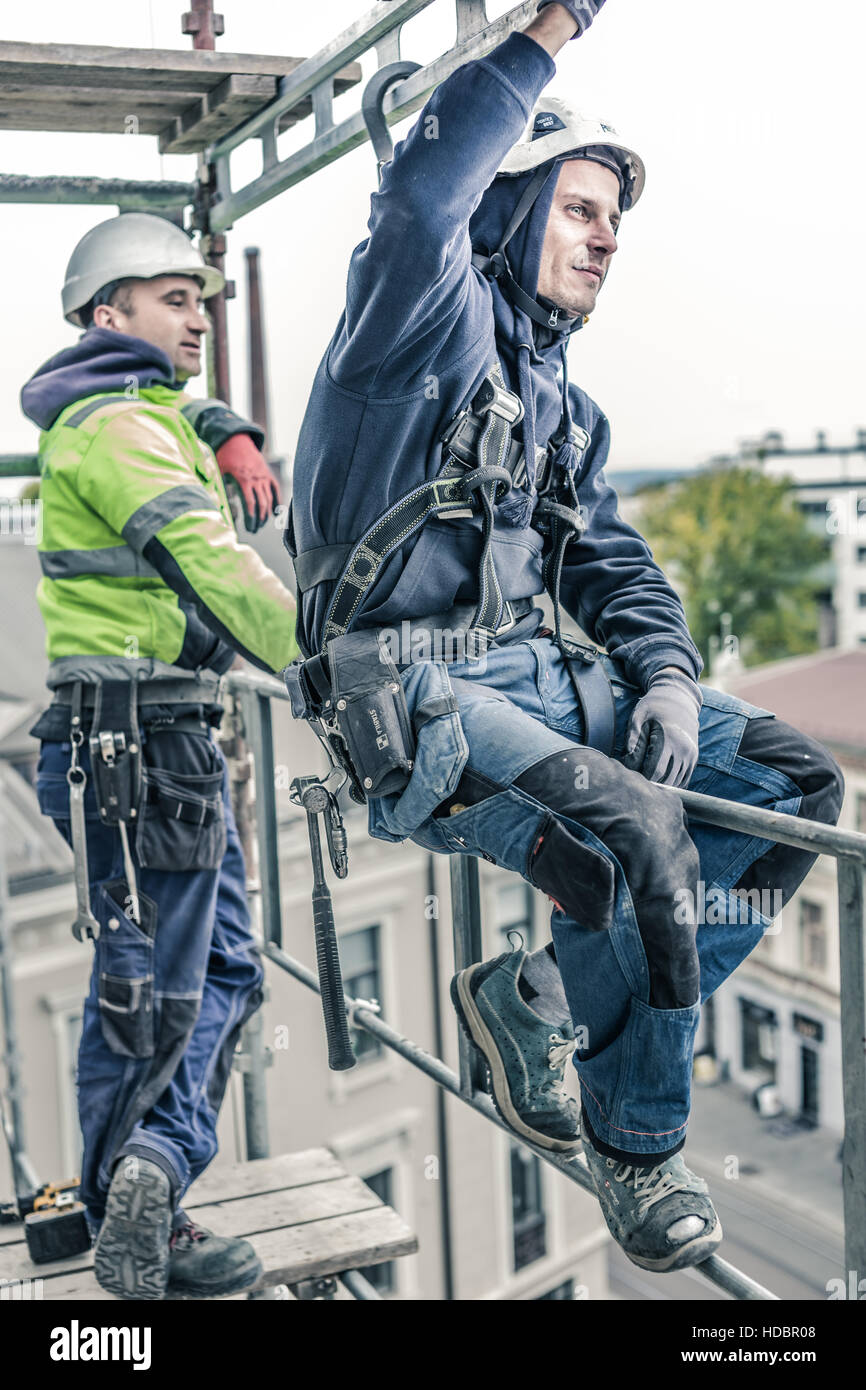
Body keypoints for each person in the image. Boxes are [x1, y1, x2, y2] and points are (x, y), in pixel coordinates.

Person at [286, 0, 844, 1276]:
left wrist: (661, 673)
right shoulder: (411, 332)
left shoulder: (562, 410)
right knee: (639, 835)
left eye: (613, 223)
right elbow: (419, 203)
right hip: (409, 699)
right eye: (580, 209)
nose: (604, 242)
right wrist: (545, 28)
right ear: (509, 205)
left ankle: (536, 996)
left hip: (525, 682)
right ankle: (636, 1145)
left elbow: (608, 559)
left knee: (787, 784)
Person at [21, 212, 299, 1299]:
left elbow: (175, 413)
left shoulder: (128, 412)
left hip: (148, 743)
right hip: (143, 749)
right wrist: (320, 666)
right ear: (109, 312)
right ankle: (138, 1202)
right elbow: (215, 567)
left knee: (213, 970)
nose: (199, 318)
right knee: (156, 994)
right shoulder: (116, 431)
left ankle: (149, 1176)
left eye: (203, 300)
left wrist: (227, 426)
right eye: (174, 299)